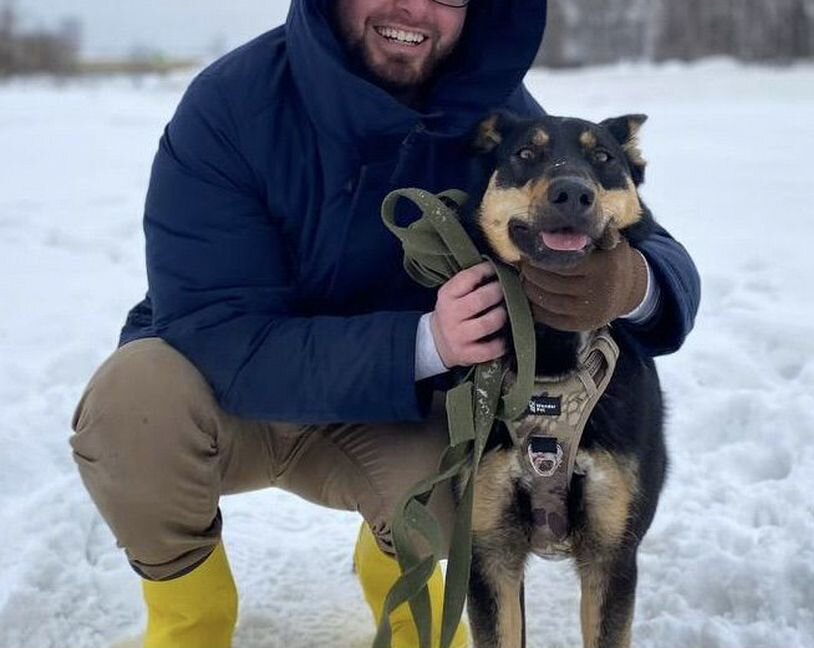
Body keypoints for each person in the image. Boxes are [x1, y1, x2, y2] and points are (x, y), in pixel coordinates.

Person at [70, 1, 701, 647]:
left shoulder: (482, 105)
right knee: (132, 403)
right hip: (230, 401)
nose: (413, 9)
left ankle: (406, 590)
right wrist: (424, 343)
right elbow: (211, 327)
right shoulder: (231, 107)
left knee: (485, 466)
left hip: (382, 410)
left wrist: (633, 283)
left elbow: (631, 226)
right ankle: (189, 623)